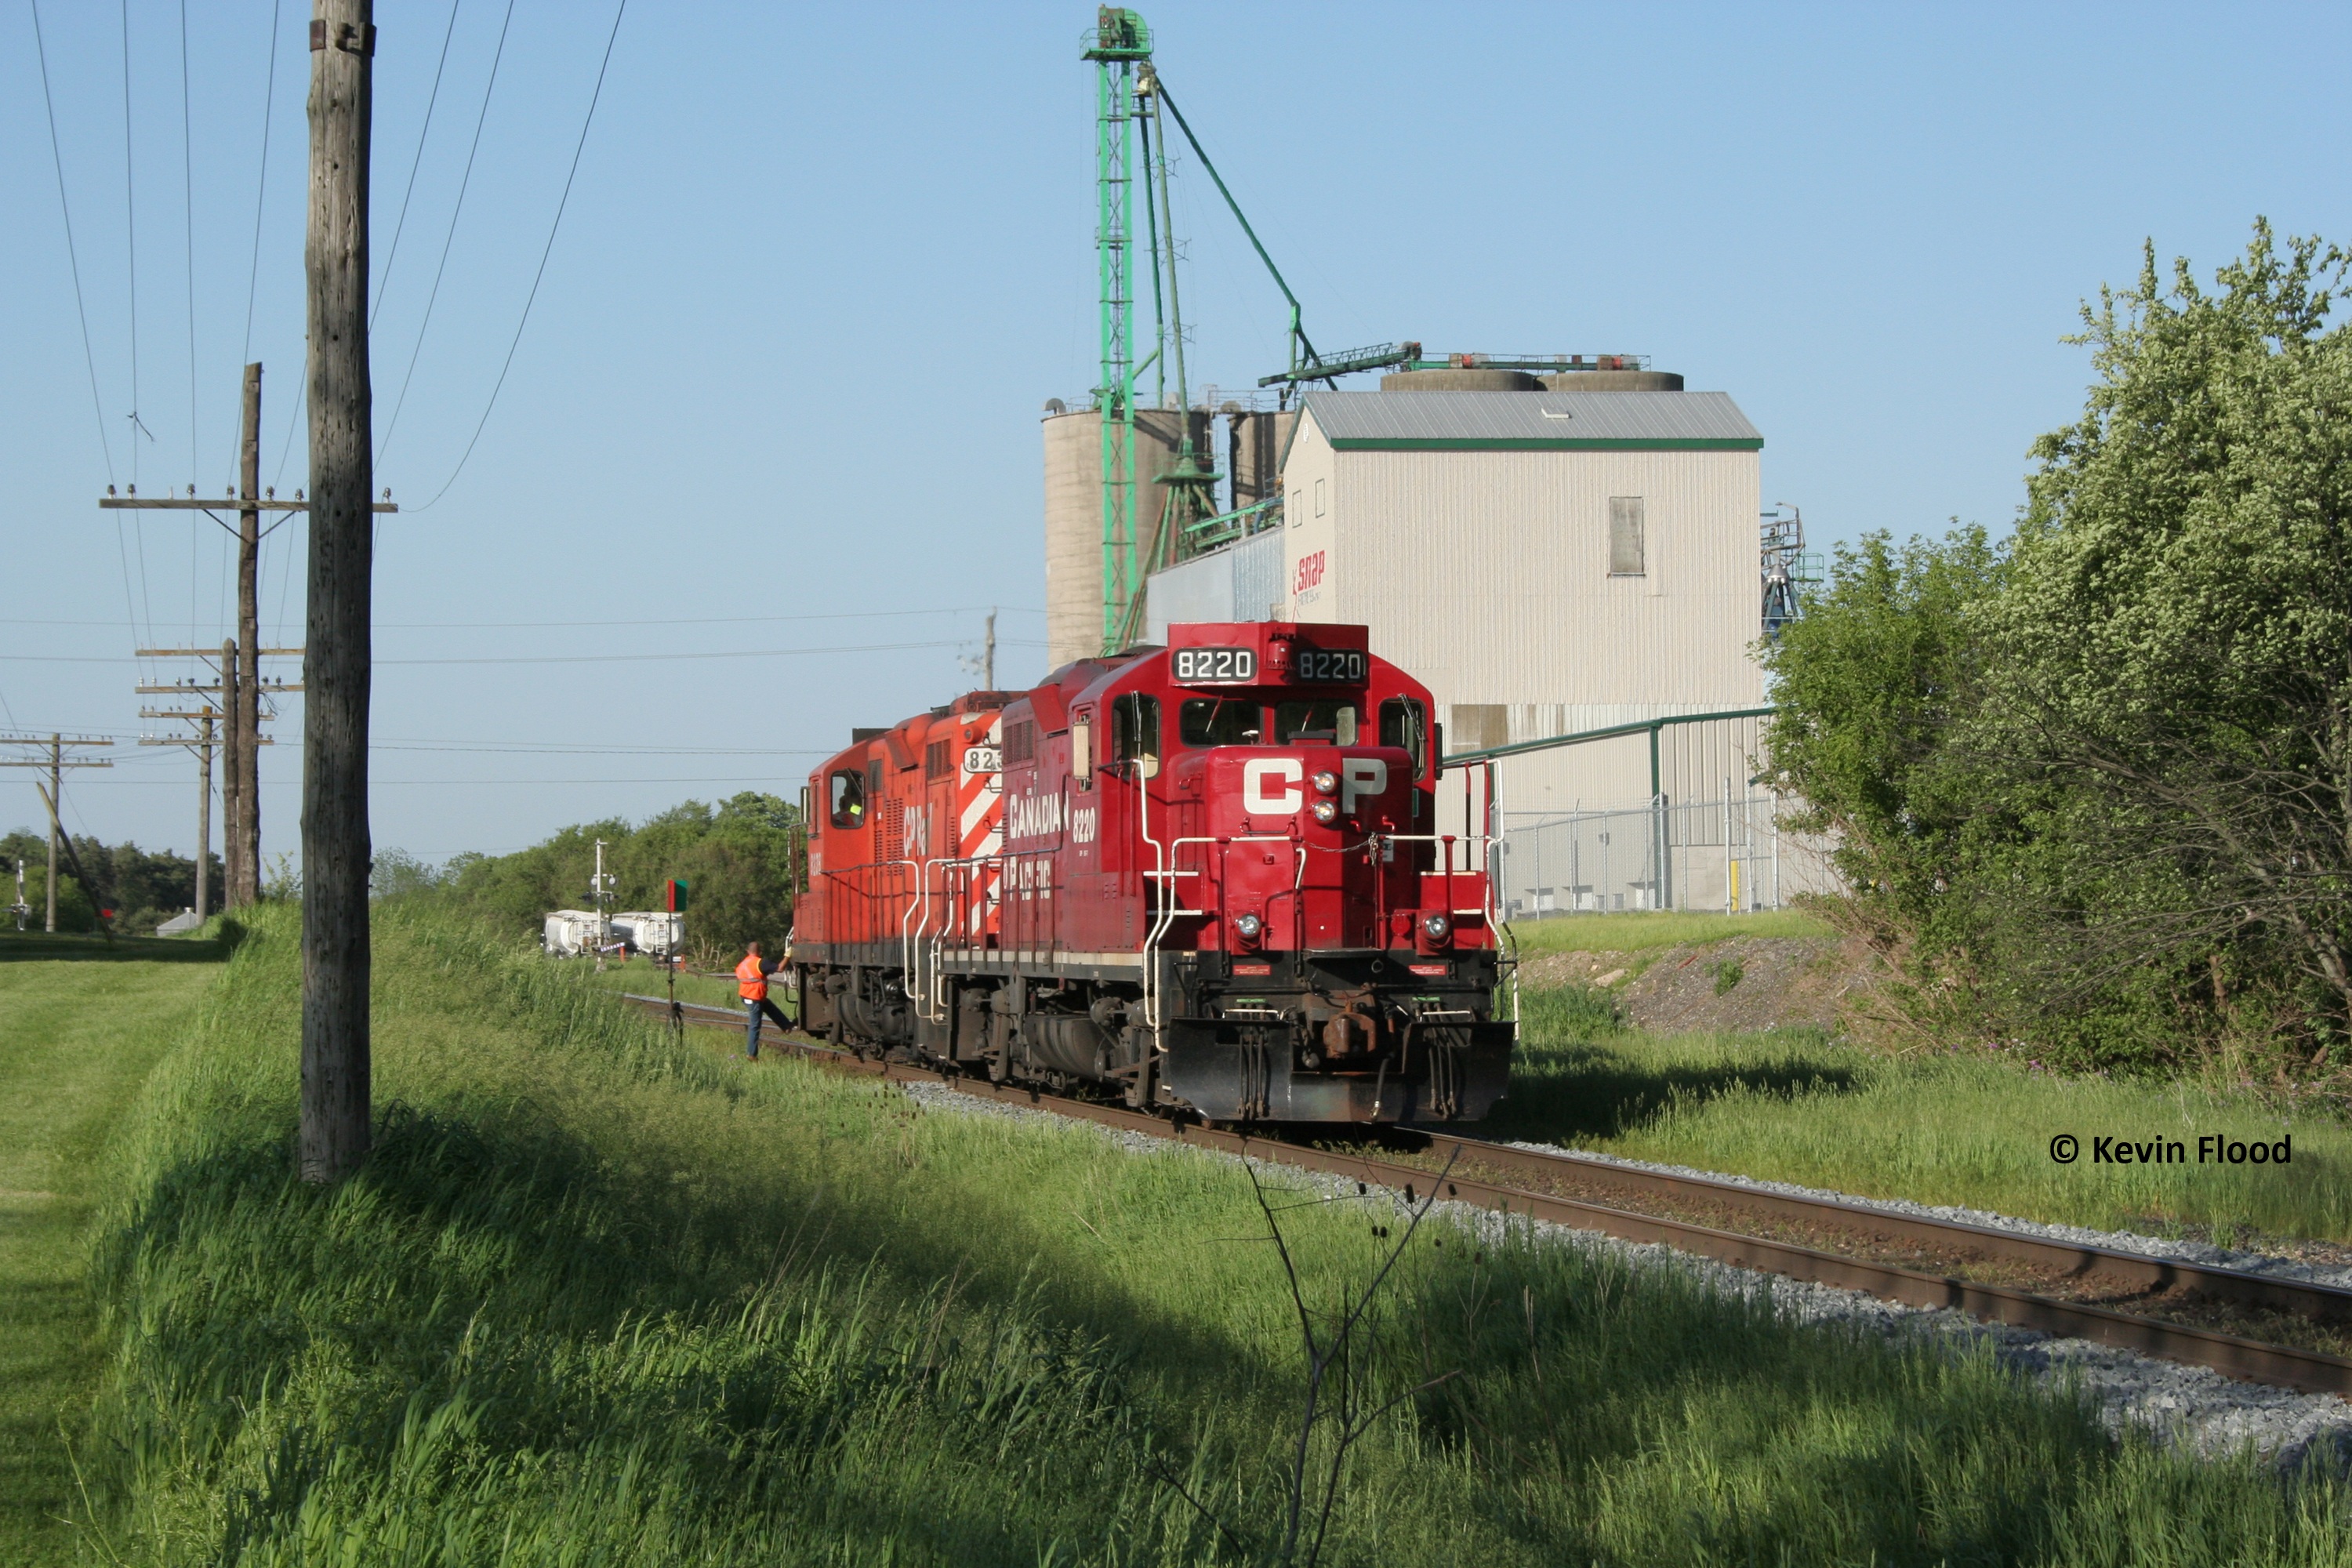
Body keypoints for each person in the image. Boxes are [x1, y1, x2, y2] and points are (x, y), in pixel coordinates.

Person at [735, 940, 791, 1059]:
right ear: (760, 952)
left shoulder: (743, 963)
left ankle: (786, 1026)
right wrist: (787, 956)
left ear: (748, 951)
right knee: (755, 1026)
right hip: (754, 997)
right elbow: (780, 968)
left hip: (746, 995)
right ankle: (751, 1054)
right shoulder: (761, 963)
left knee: (768, 1006)